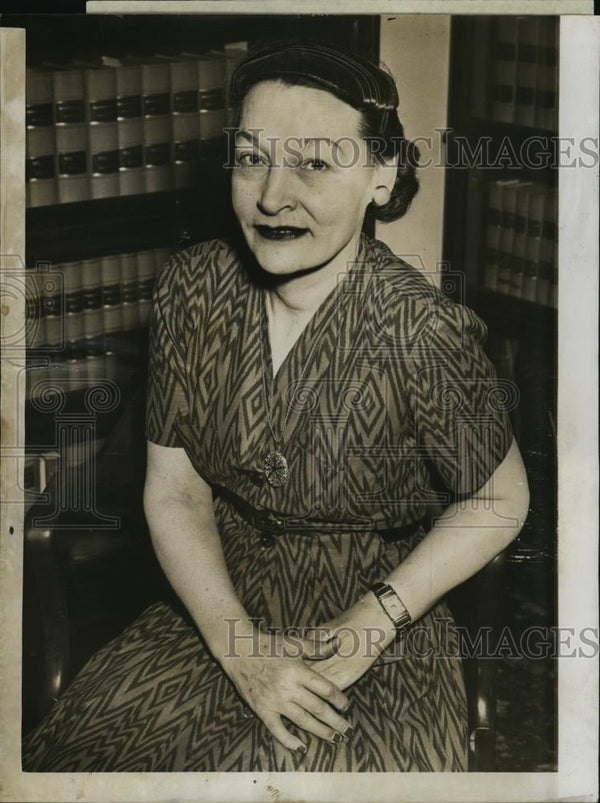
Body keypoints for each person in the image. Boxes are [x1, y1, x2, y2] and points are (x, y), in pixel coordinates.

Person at [22, 41, 529, 773]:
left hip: (371, 614)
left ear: (381, 176)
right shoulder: (191, 289)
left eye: (315, 163)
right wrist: (241, 649)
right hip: (214, 595)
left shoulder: (423, 331)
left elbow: (501, 498)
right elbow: (175, 492)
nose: (270, 197)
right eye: (251, 158)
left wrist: (377, 618)